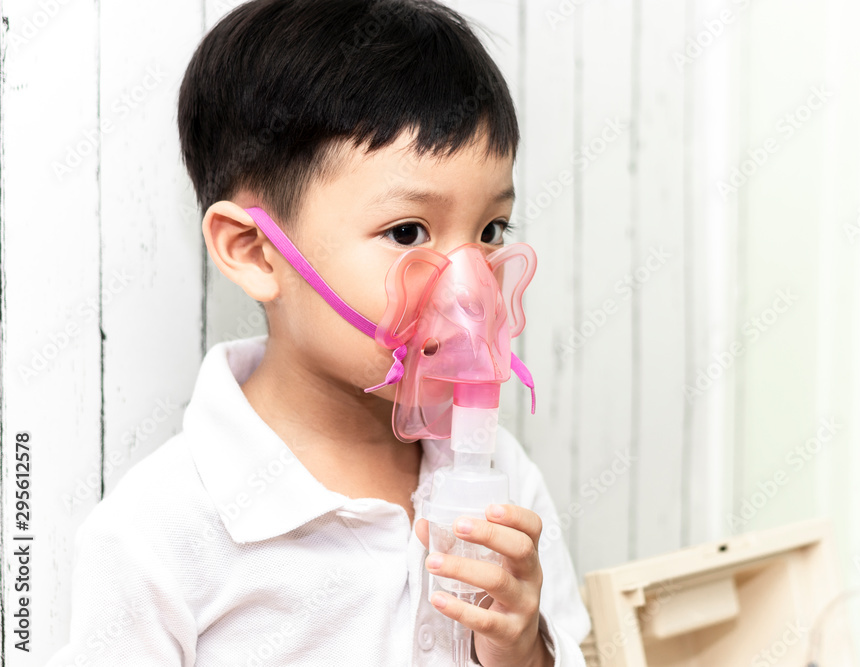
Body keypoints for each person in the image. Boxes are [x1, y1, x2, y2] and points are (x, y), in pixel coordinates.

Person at [44, 0, 591, 665]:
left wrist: (522, 647)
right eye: (408, 232)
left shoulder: (502, 476)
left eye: (490, 232)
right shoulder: (161, 531)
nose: (471, 287)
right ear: (253, 250)